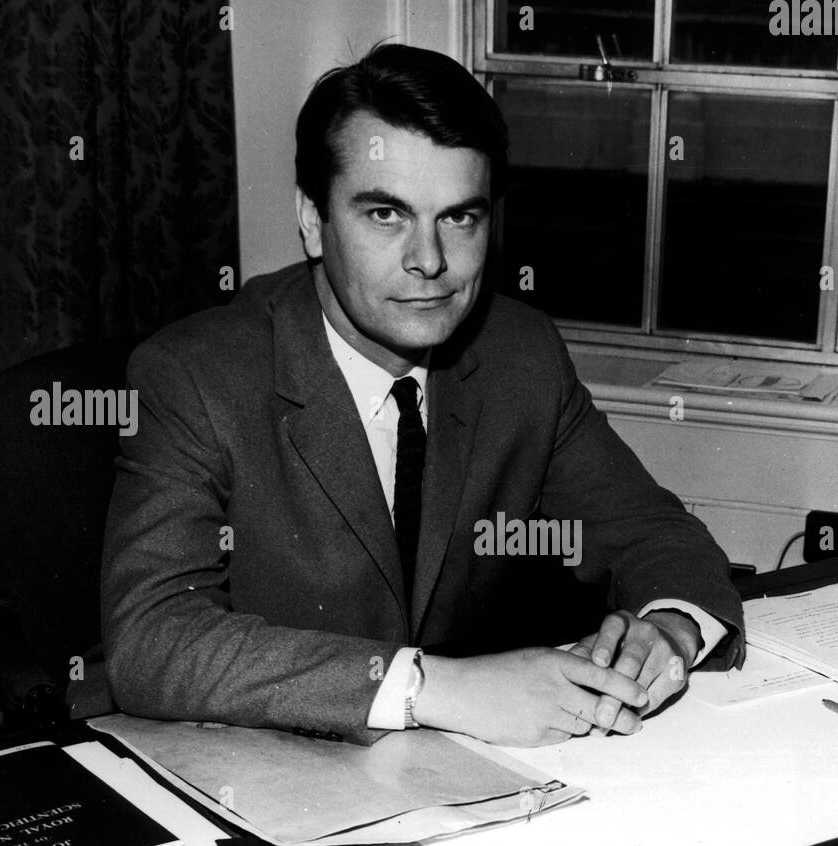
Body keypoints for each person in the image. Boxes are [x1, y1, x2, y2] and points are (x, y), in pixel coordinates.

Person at [101, 43, 744, 748]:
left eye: (460, 218)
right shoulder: (194, 377)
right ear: (313, 220)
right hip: (262, 764)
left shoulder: (519, 354)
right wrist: (433, 688)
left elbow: (652, 531)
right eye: (386, 215)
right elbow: (152, 638)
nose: (430, 261)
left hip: (459, 773)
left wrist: (669, 632)